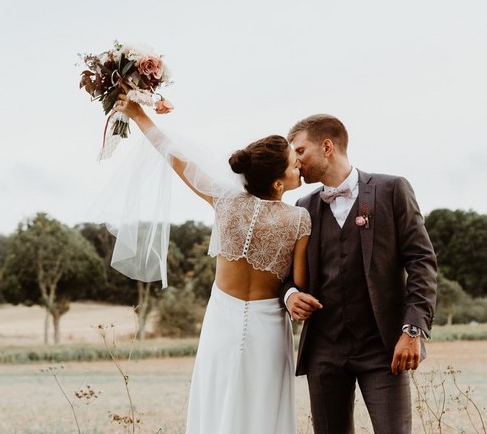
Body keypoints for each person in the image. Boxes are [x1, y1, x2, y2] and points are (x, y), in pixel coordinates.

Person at [114, 95, 312, 434]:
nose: (300, 168)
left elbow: (176, 159)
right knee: (263, 407)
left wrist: (139, 115)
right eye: (295, 165)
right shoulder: (298, 220)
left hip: (223, 321)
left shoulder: (226, 199)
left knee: (217, 402)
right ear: (278, 183)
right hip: (268, 327)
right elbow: (299, 282)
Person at [284, 114, 438, 434]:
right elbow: (284, 272)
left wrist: (413, 330)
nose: (295, 162)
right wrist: (290, 295)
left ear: (327, 147)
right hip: (323, 350)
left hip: (382, 347)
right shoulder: (303, 206)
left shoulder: (391, 189)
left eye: (300, 151)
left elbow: (421, 262)